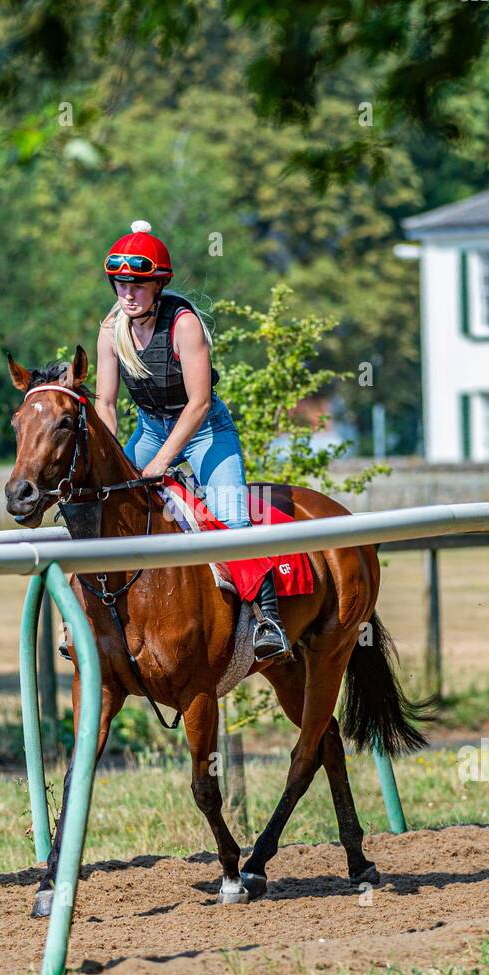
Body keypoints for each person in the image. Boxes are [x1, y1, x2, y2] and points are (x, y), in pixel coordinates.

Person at [90, 219, 291, 663]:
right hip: (148, 428)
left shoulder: (184, 325)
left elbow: (198, 403)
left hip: (204, 431)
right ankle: (90, 622)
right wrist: (108, 462)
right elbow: (105, 403)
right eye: (121, 284)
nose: (127, 294)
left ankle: (267, 621)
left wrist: (160, 462)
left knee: (231, 518)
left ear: (158, 285)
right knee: (106, 507)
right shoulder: (110, 330)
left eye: (138, 285)